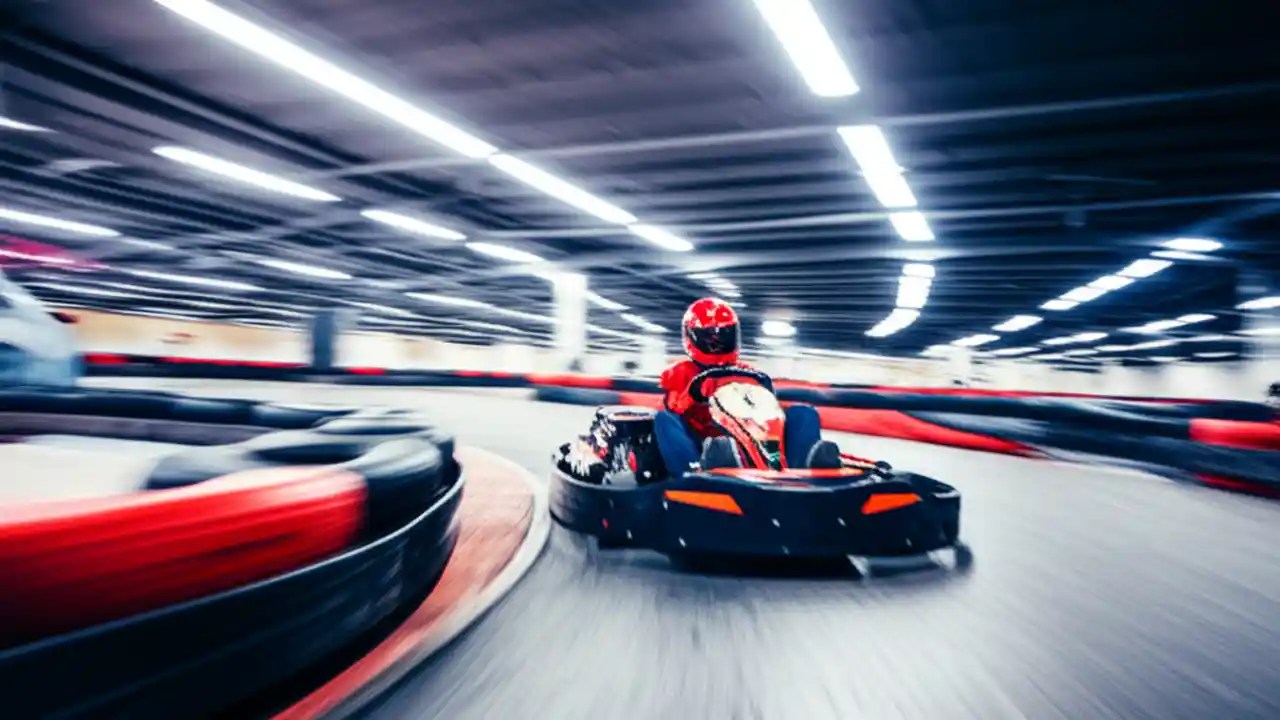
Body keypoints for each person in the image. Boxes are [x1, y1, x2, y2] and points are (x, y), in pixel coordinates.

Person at [652, 297, 833, 476]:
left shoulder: (748, 372)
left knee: (803, 412)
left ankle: (801, 466)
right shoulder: (678, 373)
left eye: (725, 335)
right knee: (663, 419)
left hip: (748, 438)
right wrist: (695, 395)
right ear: (692, 337)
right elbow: (673, 410)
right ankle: (695, 472)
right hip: (701, 442)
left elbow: (766, 408)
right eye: (711, 338)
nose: (719, 343)